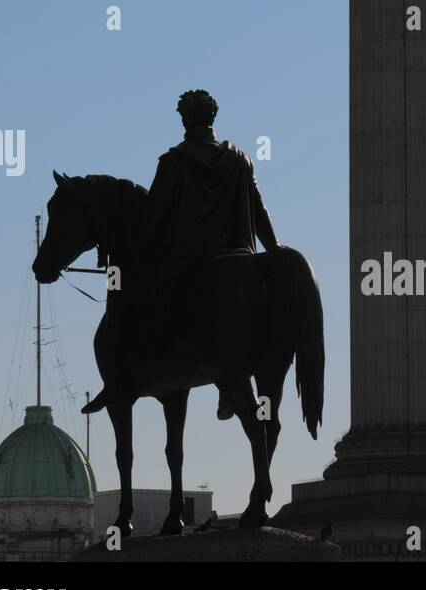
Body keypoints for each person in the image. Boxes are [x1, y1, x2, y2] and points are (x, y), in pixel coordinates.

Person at [82, 90, 281, 417]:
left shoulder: (175, 162)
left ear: (185, 119)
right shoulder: (240, 159)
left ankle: (118, 380)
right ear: (212, 117)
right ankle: (228, 386)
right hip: (241, 253)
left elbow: (153, 219)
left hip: (188, 259)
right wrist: (274, 249)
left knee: (122, 302)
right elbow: (258, 210)